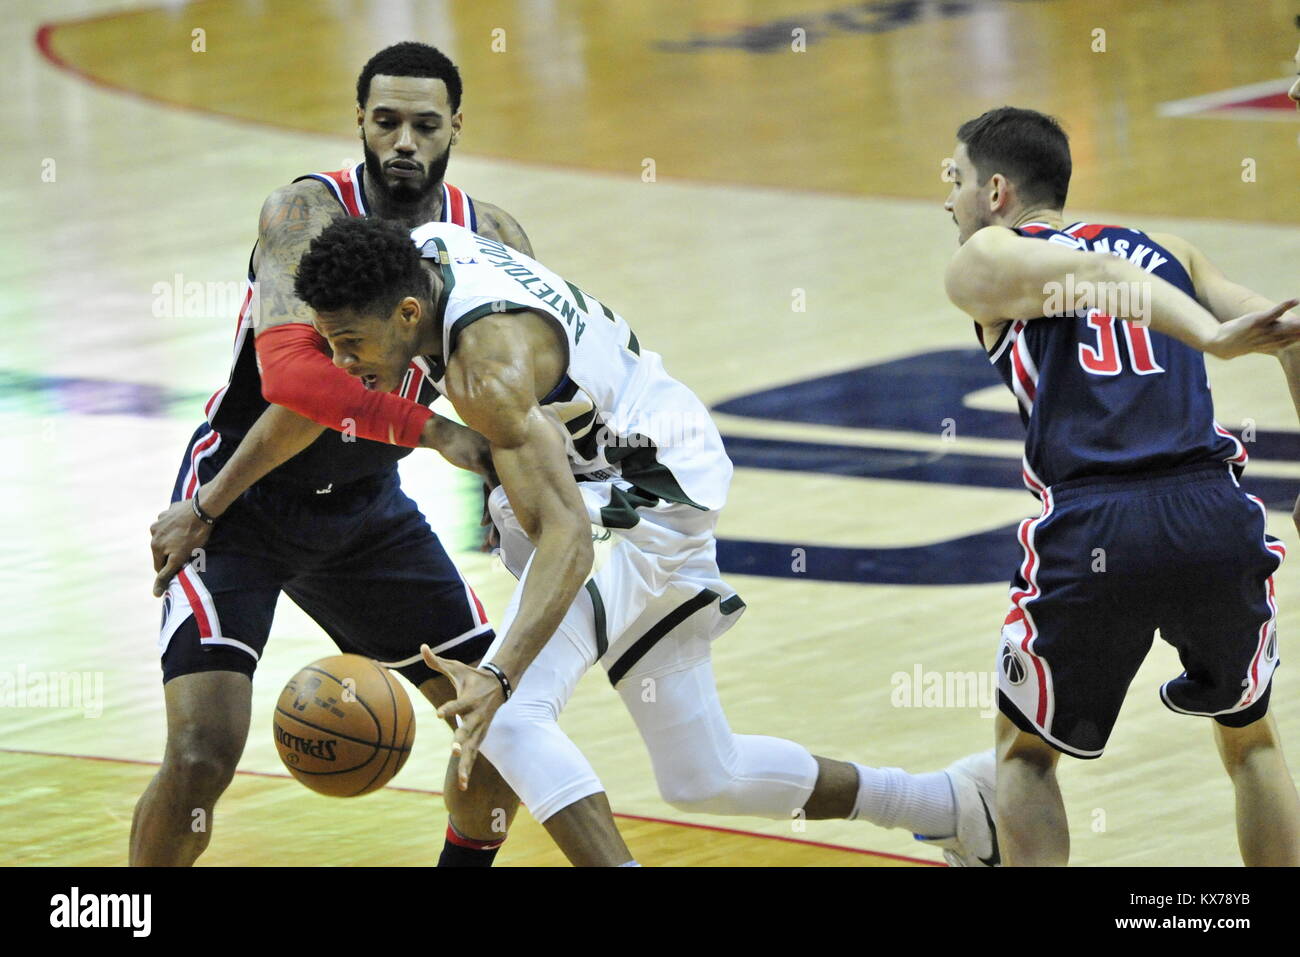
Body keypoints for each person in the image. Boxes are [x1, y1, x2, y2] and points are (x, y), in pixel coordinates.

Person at [282, 213, 1003, 867]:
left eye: (350, 344)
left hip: (644, 486)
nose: (345, 363)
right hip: (646, 454)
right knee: (702, 773)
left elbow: (567, 538)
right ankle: (948, 803)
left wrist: (499, 674)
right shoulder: (430, 247)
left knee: (509, 711)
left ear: (409, 312)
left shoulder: (484, 373)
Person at [136, 42, 531, 868]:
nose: (403, 143)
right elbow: (294, 382)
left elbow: (517, 388)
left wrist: (520, 498)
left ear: (456, 125)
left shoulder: (492, 235)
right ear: (359, 121)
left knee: (507, 732)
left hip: (365, 513)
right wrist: (204, 508)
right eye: (385, 121)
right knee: (204, 752)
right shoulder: (302, 215)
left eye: (425, 125)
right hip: (239, 501)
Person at [941, 106, 1300, 865]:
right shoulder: (1168, 248)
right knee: (1251, 737)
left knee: (1024, 754)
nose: (949, 200)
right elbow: (1290, 329)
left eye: (957, 180)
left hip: (1095, 520)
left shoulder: (983, 260)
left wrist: (1207, 338)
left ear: (996, 191)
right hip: (1214, 512)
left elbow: (1099, 278)